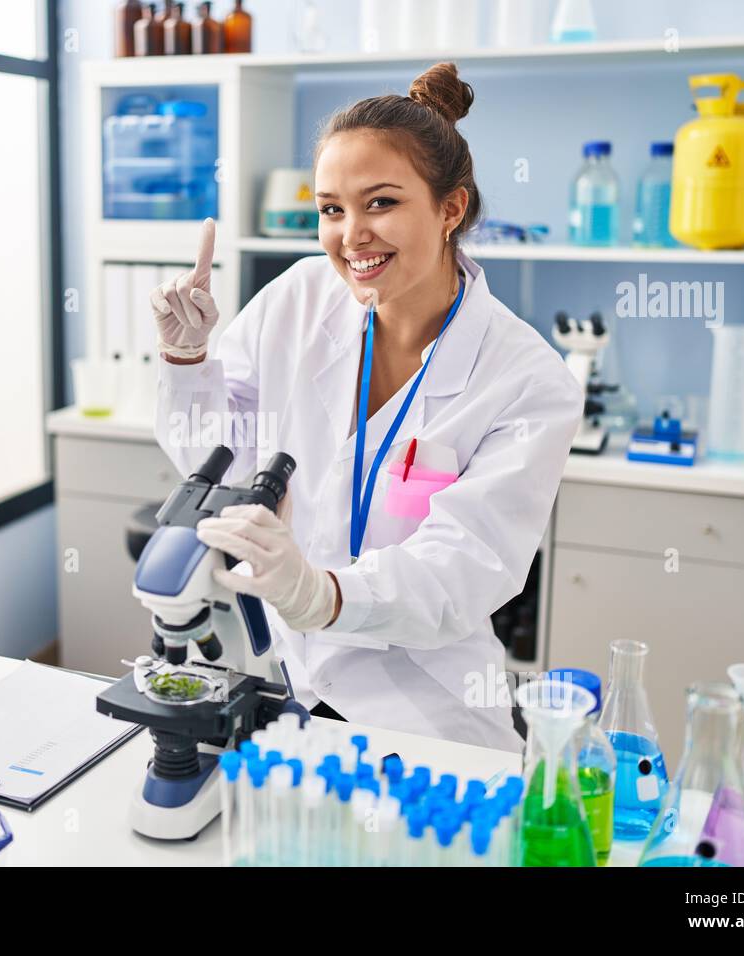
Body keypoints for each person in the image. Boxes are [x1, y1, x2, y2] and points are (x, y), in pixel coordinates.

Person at [150, 62, 582, 751]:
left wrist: (324, 594)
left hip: (425, 707)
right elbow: (215, 459)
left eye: (380, 203)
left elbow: (463, 567)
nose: (351, 235)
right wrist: (187, 358)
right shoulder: (297, 299)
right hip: (288, 677)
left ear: (450, 209)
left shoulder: (528, 381)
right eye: (331, 208)